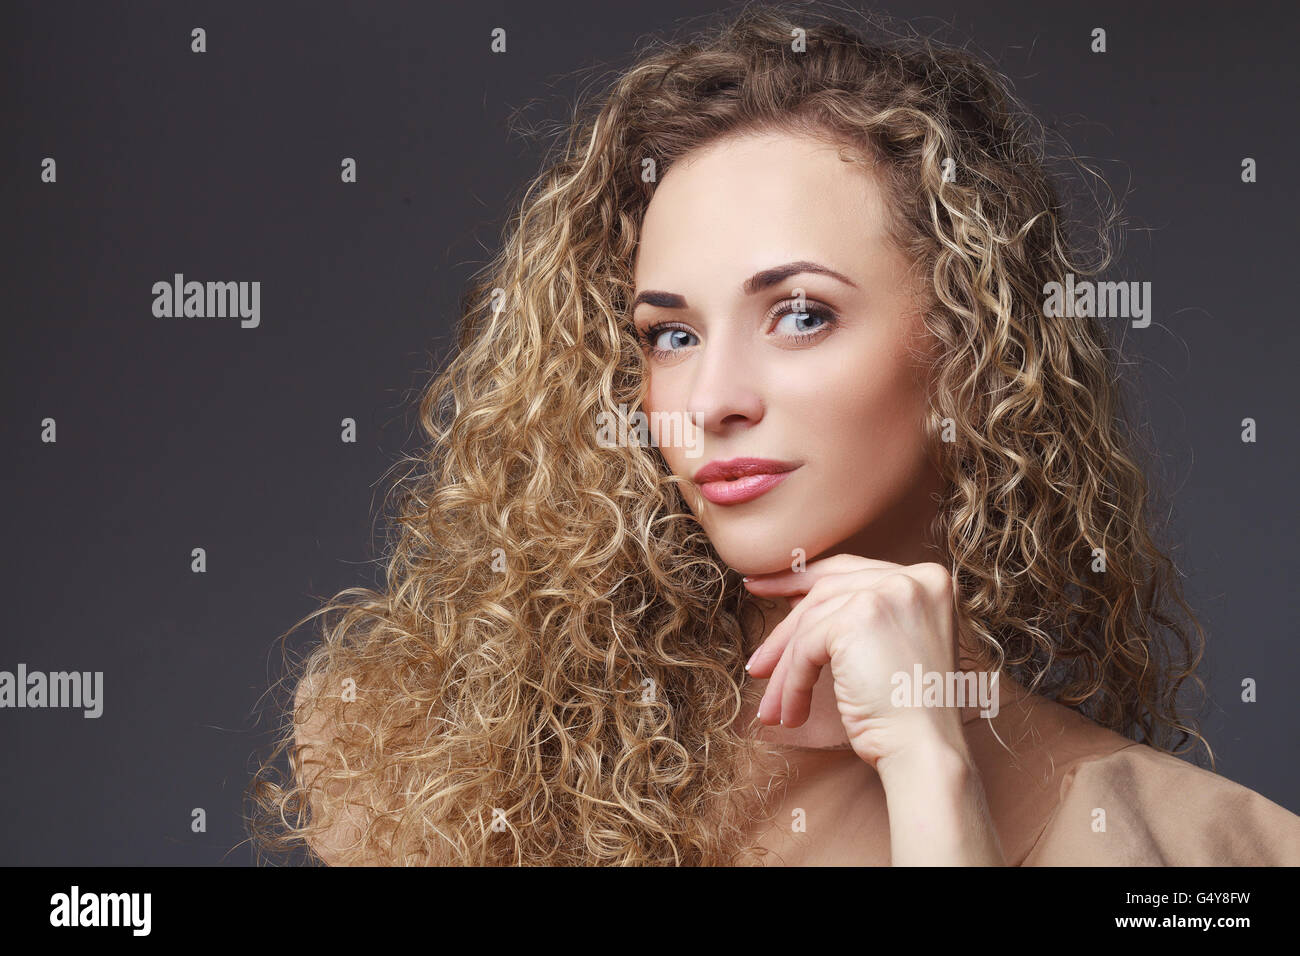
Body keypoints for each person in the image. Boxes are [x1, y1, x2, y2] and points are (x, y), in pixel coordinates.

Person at [245, 3, 1300, 866]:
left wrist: (929, 770)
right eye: (668, 333)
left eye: (800, 313)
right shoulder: (424, 756)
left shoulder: (1202, 851)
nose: (711, 399)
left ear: (974, 353)